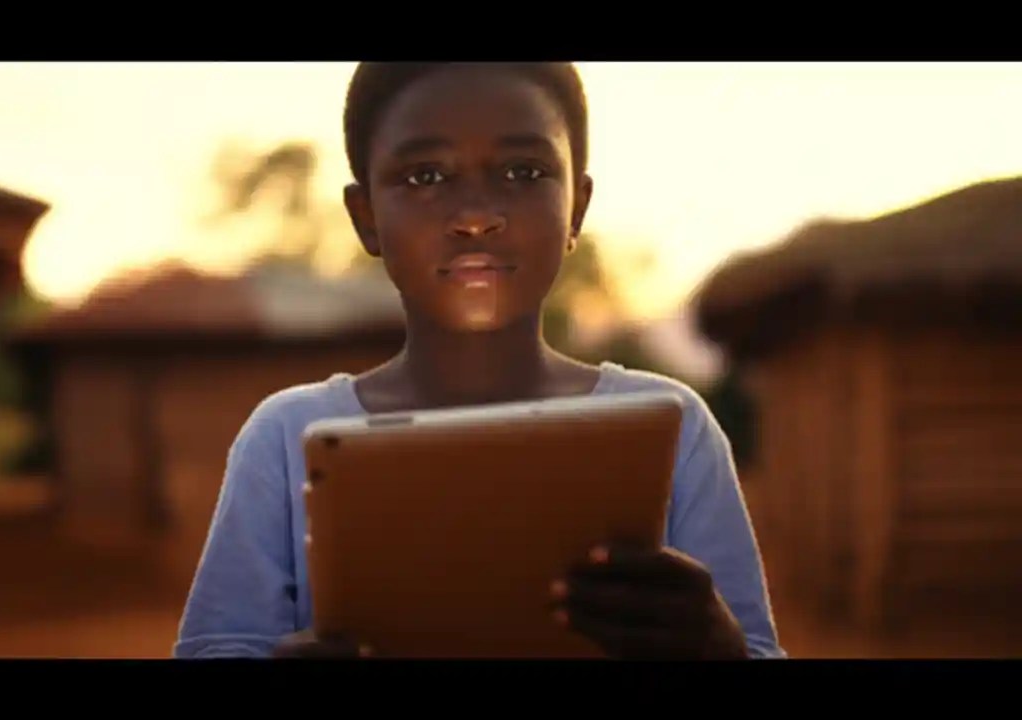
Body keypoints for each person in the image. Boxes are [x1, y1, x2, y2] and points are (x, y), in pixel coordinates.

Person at [173, 62, 784, 659]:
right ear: (366, 219)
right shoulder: (284, 440)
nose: (475, 216)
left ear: (577, 207)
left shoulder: (674, 429)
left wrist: (718, 648)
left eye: (524, 170)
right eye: (424, 177)